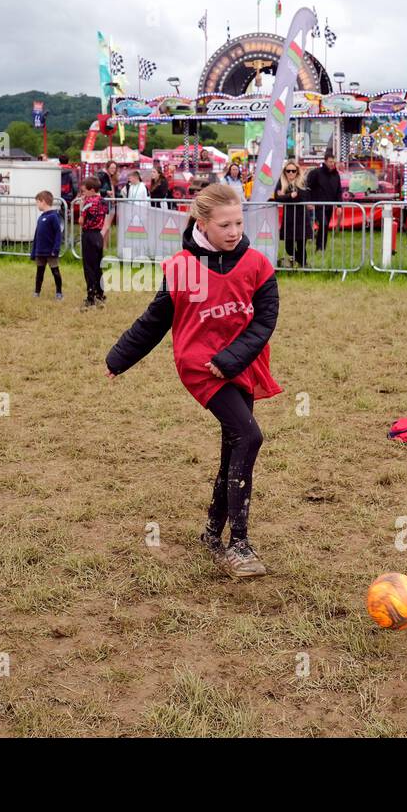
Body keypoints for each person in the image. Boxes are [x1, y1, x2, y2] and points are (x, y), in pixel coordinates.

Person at [105, 184, 282, 578]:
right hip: (200, 367)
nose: (234, 231)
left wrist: (234, 358)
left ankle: (210, 533)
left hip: (242, 365)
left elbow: (265, 320)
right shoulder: (182, 267)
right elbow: (154, 321)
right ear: (202, 223)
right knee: (250, 437)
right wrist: (119, 357)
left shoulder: (257, 265)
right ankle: (239, 544)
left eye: (238, 222)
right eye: (225, 225)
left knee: (234, 445)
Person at [78, 176, 109, 308]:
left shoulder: (88, 202)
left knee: (89, 267)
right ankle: (100, 294)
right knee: (98, 267)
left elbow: (81, 221)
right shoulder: (103, 201)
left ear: (91, 190)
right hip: (98, 235)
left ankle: (90, 297)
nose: (83, 194)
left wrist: (81, 206)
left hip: (89, 235)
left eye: (84, 191)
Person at [271, 159, 309, 267]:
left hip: (301, 218)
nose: (291, 173)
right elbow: (278, 197)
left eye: (293, 171)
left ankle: (303, 267)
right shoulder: (281, 182)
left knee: (301, 245)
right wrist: (290, 196)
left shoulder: (302, 182)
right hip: (288, 219)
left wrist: (285, 196)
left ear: (297, 171)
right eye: (288, 171)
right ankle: (303, 263)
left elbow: (303, 196)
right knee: (288, 247)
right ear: (284, 172)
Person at [30, 190, 64, 300]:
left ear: (43, 201)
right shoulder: (41, 217)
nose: (37, 205)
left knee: (55, 272)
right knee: (39, 272)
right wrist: (34, 251)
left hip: (51, 251)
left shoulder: (53, 217)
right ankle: (37, 292)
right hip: (40, 251)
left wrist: (56, 249)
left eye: (37, 202)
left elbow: (58, 234)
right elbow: (37, 236)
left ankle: (59, 292)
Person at [305, 153, 342, 252]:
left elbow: (339, 190)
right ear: (325, 161)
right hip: (318, 205)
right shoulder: (316, 173)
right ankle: (319, 247)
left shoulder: (336, 174)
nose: (332, 164)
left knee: (325, 226)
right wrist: (309, 202)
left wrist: (339, 206)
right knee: (324, 224)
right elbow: (308, 188)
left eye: (333, 161)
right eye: (330, 161)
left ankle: (322, 247)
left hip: (329, 206)